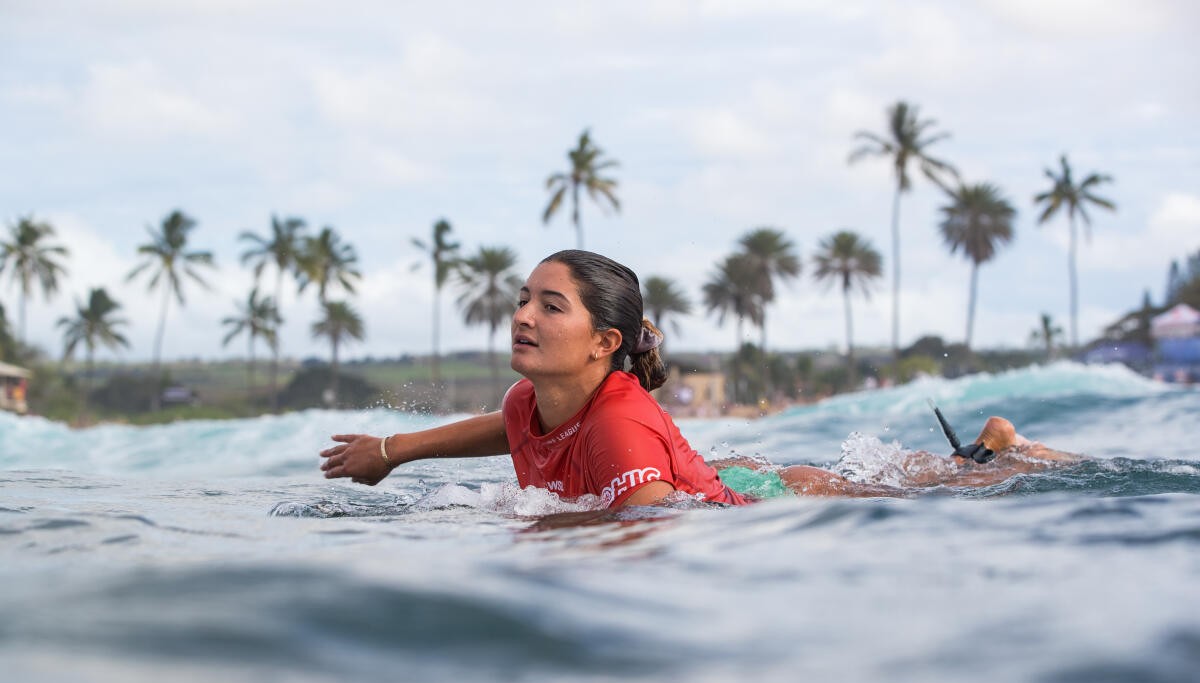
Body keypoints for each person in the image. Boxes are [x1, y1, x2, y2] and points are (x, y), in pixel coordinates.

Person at [320, 250, 1079, 506]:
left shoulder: (617, 423)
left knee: (944, 496)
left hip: (765, 497)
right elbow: (508, 427)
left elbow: (659, 524)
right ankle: (985, 450)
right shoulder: (533, 398)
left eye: (551, 306)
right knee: (926, 479)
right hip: (729, 472)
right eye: (523, 300)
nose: (523, 315)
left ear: (602, 342)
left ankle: (1002, 458)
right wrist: (393, 451)